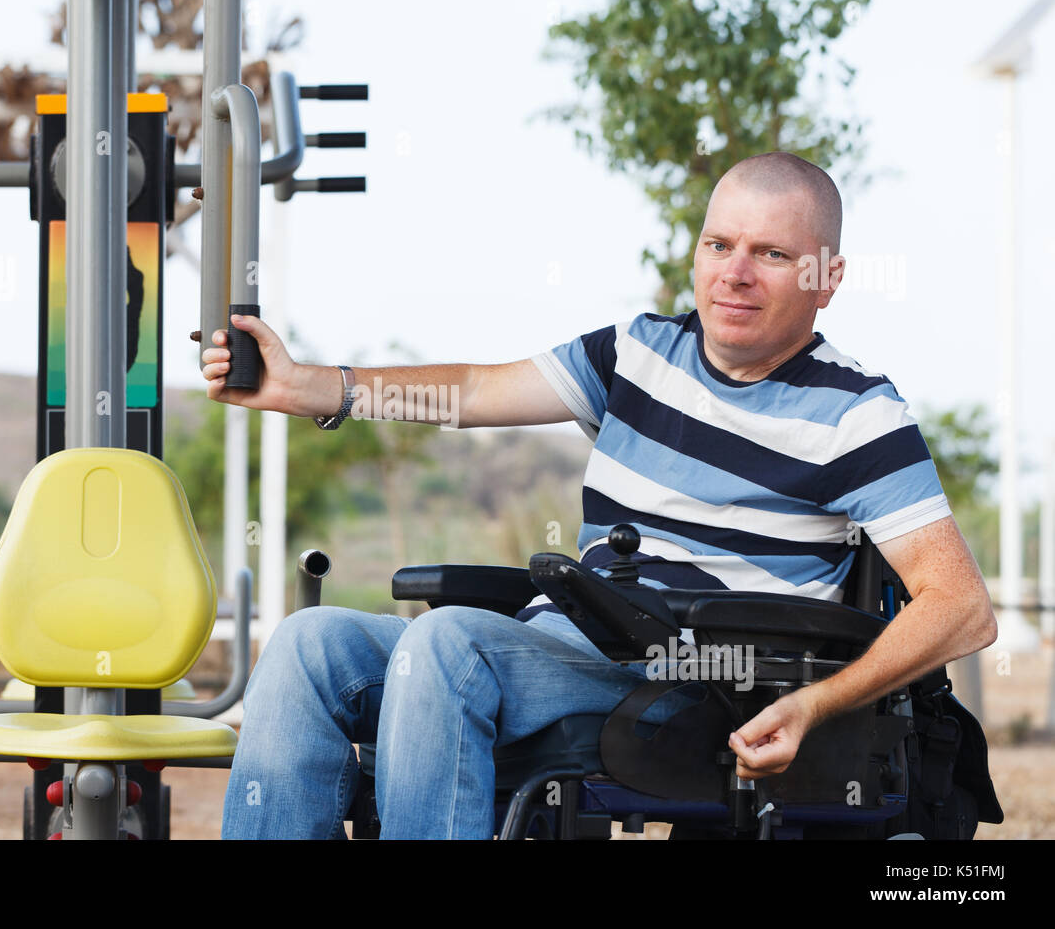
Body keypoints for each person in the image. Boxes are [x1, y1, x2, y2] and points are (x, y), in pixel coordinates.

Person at [200, 152, 997, 839]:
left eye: (771, 254)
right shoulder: (637, 354)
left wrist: (817, 704)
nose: (734, 273)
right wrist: (309, 386)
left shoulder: (858, 414)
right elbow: (473, 392)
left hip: (697, 682)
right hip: (568, 647)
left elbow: (960, 606)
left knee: (450, 644)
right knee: (309, 645)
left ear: (827, 278)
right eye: (718, 244)